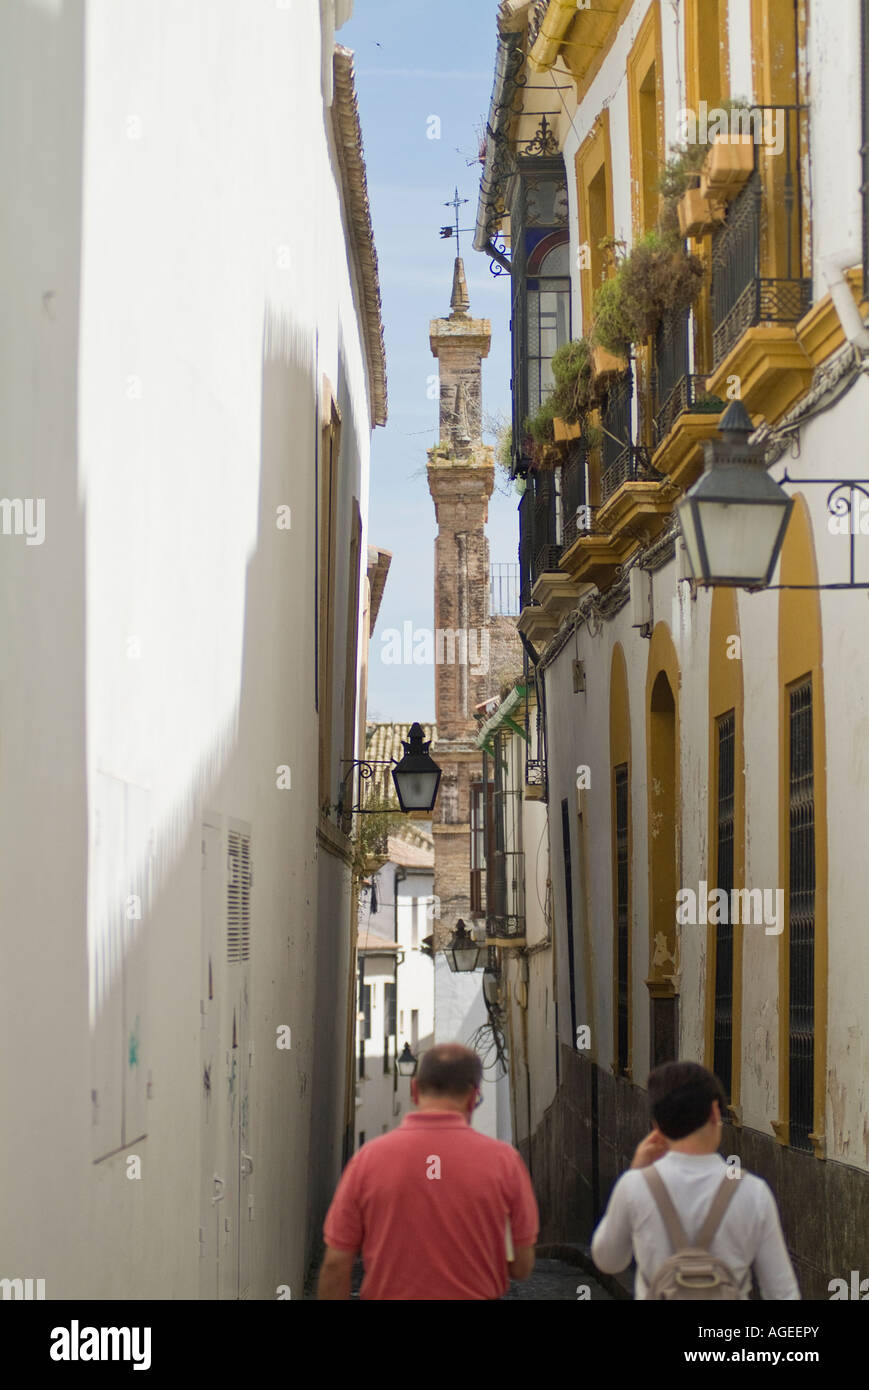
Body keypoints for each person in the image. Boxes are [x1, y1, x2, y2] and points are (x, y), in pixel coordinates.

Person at [318, 1042, 538, 1300]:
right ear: (472, 1097)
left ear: (414, 1090)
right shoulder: (505, 1162)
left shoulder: (367, 1160)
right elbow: (523, 1266)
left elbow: (336, 1263)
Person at [591, 1060, 800, 1299]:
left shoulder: (635, 1186)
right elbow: (782, 1291)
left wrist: (635, 1170)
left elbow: (608, 1260)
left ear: (657, 1124)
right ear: (714, 1111)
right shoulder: (753, 1192)